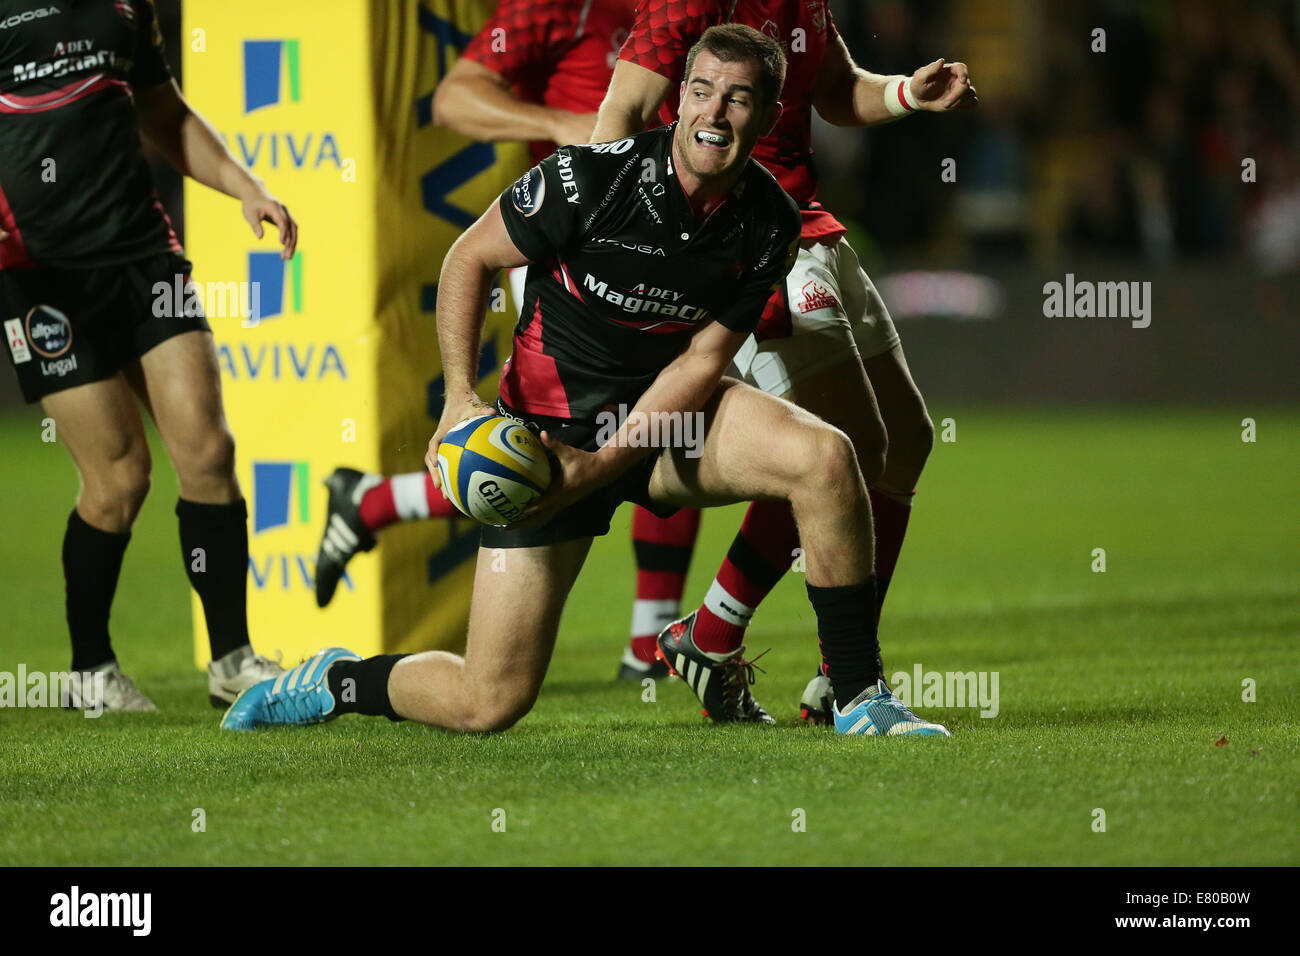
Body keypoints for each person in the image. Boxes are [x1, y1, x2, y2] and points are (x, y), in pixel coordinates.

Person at [223, 25, 949, 738]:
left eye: (737, 98)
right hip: (544, 439)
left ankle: (858, 696)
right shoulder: (590, 178)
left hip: (663, 429)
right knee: (488, 703)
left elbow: (701, 362)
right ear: (678, 101)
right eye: (700, 91)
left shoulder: (770, 221)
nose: (714, 112)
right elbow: (466, 260)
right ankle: (333, 680)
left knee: (826, 458)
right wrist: (458, 400)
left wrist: (602, 464)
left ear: (767, 115)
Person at [591, 0, 976, 721]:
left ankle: (711, 638)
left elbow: (833, 91)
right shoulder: (687, 5)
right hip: (750, 243)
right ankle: (844, 678)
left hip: (815, 230)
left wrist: (904, 94)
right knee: (845, 449)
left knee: (907, 441)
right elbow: (620, 111)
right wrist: (628, 245)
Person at [311, 2, 672, 672]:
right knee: (601, 434)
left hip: (671, 253)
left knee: (665, 420)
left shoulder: (691, 12)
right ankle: (656, 641)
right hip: (570, 262)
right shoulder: (559, 7)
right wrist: (555, 123)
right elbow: (455, 100)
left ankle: (376, 499)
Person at [0, 0, 294, 710]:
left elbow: (167, 115)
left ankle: (232, 660)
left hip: (144, 259)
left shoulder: (126, 9)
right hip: (42, 278)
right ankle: (90, 670)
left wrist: (247, 188)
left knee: (206, 450)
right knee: (120, 478)